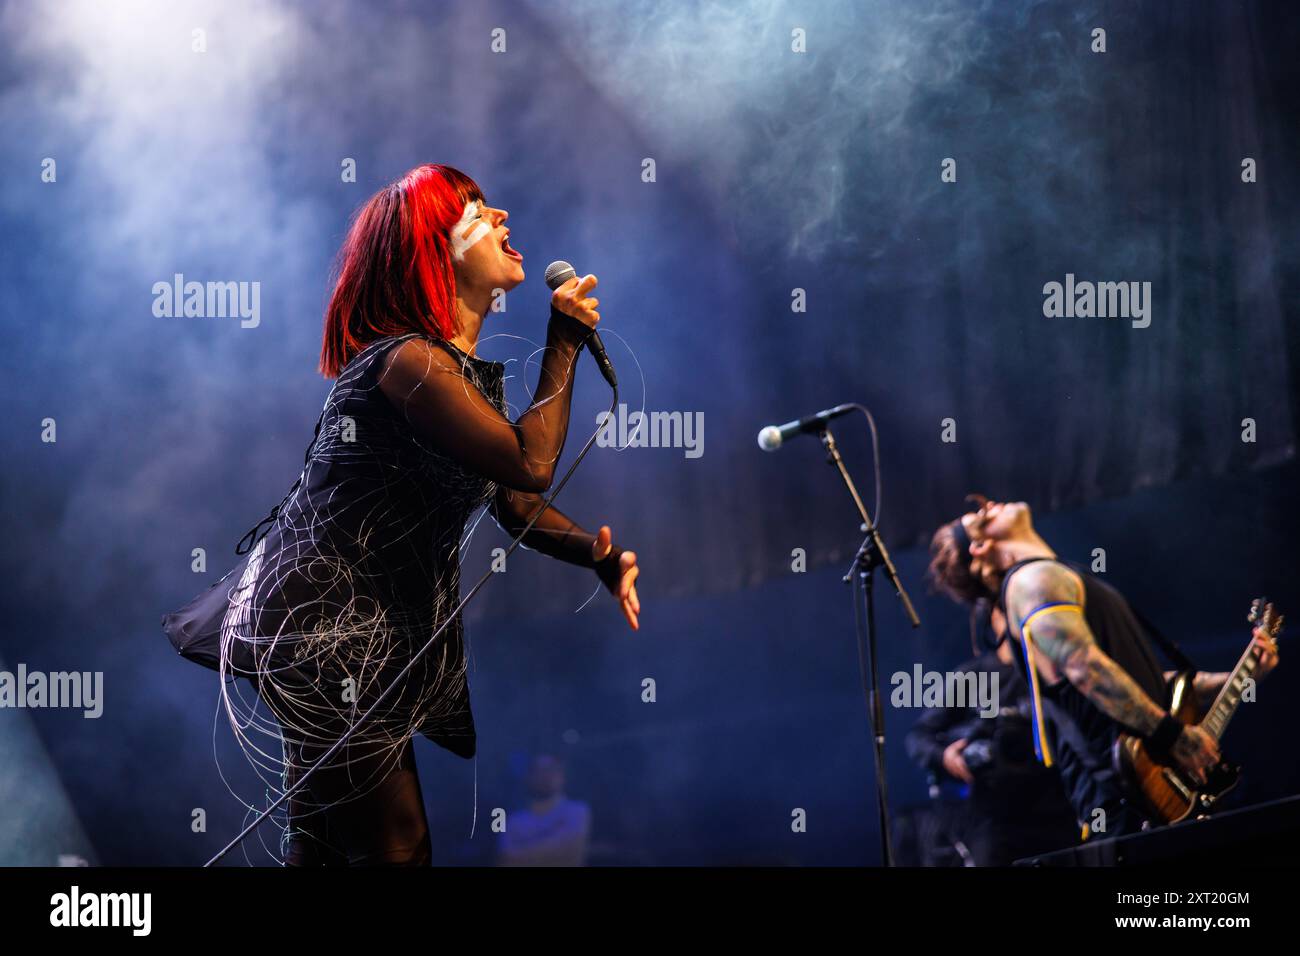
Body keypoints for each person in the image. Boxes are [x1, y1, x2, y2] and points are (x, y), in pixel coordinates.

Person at [179, 163, 641, 866]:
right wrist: (564, 341)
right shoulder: (406, 363)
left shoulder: (447, 375)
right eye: (478, 212)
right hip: (321, 628)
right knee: (399, 847)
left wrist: (597, 557)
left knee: (328, 846)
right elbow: (528, 463)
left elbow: (515, 503)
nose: (503, 218)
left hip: (351, 636)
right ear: (433, 248)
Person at [926, 496, 1278, 839]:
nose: (994, 504)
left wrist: (1237, 679)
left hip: (1156, 787)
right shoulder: (1031, 582)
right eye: (983, 515)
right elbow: (1085, 669)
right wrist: (1175, 736)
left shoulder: (1056, 576)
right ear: (979, 547)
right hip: (1124, 793)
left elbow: (1136, 680)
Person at [905, 602, 1078, 865]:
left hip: (1056, 809)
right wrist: (945, 758)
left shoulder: (1055, 672)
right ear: (993, 619)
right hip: (994, 817)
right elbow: (918, 736)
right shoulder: (973, 675)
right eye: (1007, 610)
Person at [496, 754, 592, 866]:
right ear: (529, 777)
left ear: (562, 776)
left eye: (551, 770)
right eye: (539, 771)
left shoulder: (577, 811)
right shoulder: (514, 820)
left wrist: (521, 853)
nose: (545, 776)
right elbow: (505, 859)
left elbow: (571, 850)